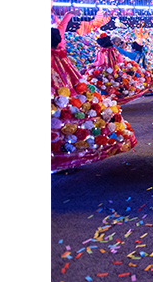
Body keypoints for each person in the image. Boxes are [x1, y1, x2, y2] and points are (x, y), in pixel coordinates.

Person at [52, 10, 137, 172]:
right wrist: (69, 15)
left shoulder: (100, 52)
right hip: (108, 75)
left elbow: (98, 62)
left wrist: (90, 67)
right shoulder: (60, 54)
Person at [83, 32, 150, 104]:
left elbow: (100, 62)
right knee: (113, 86)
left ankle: (106, 101)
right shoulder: (115, 50)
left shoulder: (101, 51)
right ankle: (115, 99)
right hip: (115, 71)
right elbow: (120, 60)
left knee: (104, 86)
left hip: (104, 72)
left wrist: (93, 64)